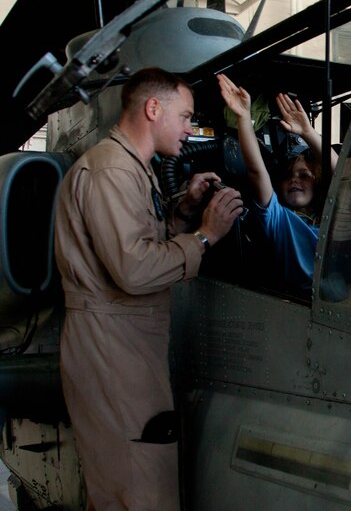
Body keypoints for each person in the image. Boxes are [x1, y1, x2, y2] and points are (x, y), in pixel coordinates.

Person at [54, 67, 245, 511]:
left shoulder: (130, 168)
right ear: (153, 108)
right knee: (140, 488)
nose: (188, 129)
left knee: (124, 482)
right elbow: (134, 270)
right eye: (184, 117)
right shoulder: (111, 171)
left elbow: (135, 240)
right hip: (113, 346)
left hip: (123, 342)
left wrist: (182, 212)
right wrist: (204, 236)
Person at [218, 73, 337, 291]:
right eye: (288, 176)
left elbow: (342, 174)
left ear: (318, 182)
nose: (294, 180)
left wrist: (308, 132)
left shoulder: (333, 217)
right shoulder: (279, 219)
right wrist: (243, 117)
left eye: (304, 175)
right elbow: (256, 171)